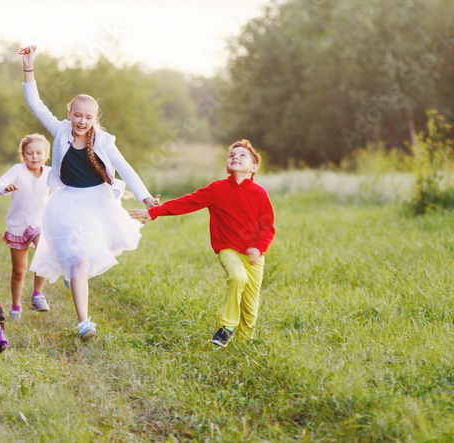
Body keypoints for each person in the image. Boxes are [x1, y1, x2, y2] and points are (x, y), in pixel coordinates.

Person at [19, 45, 159, 340]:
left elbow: (126, 169)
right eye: (77, 115)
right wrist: (29, 66)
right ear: (69, 114)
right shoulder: (59, 132)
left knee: (87, 255)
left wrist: (147, 198)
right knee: (78, 259)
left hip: (98, 202)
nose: (82, 121)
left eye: (88, 117)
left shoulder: (104, 141)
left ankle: (75, 277)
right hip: (67, 203)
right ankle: (84, 323)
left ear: (95, 119)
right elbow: (35, 103)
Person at [131, 139, 275, 347]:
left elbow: (268, 226)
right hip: (228, 250)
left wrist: (258, 248)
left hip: (254, 256)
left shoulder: (260, 194)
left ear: (254, 167)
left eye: (243, 155)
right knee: (237, 276)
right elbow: (186, 202)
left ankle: (245, 344)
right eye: (232, 155)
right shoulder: (216, 189)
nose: (235, 157)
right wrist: (154, 212)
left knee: (251, 306)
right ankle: (226, 327)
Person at [0, 134, 53, 322]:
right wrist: (5, 188)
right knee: (19, 272)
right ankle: (16, 307)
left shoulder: (50, 174)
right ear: (23, 155)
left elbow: (62, 191)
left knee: (43, 250)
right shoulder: (18, 170)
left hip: (38, 223)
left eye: (38, 153)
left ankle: (37, 295)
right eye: (29, 153)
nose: (34, 157)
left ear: (46, 154)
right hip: (17, 227)